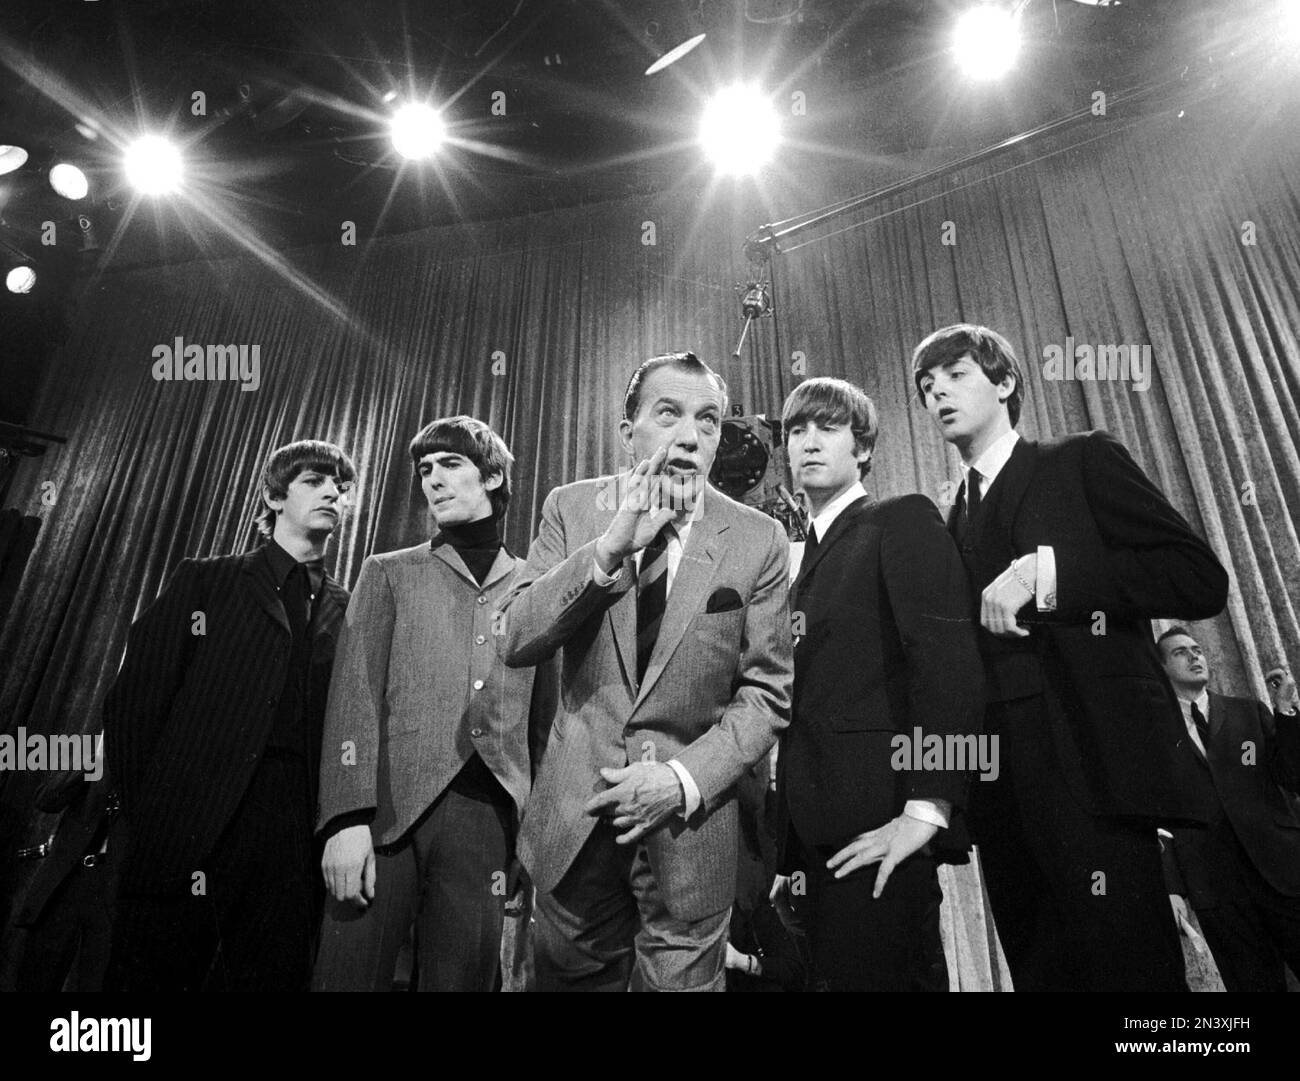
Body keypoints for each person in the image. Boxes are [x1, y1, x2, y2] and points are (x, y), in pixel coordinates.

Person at [912, 323, 1228, 991]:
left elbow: (1198, 576)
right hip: (998, 790)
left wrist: (1049, 574)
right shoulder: (947, 521)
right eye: (926, 385)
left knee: (1132, 979)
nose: (937, 389)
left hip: (1092, 771)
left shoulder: (1080, 459)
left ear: (1005, 383)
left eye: (957, 374)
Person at [498, 350, 793, 992]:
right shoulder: (573, 510)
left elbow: (767, 695)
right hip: (576, 825)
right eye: (670, 414)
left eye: (708, 420)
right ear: (628, 431)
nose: (691, 435)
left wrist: (682, 779)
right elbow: (516, 637)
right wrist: (608, 551)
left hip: (691, 828)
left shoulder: (758, 538)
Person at [312, 416, 554, 992]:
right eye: (425, 470)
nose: (433, 481)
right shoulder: (390, 572)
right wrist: (344, 822)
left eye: (450, 465)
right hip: (385, 820)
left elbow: (545, 726)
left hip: (487, 822)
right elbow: (354, 699)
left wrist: (532, 839)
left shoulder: (536, 587)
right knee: (347, 979)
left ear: (493, 477)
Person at [104, 439, 355, 991]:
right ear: (272, 496)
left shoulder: (349, 607)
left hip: (289, 830)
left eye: (340, 486)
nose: (333, 492)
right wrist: (147, 808)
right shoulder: (207, 579)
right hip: (186, 820)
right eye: (315, 481)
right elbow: (136, 700)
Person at [774, 376, 983, 991]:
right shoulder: (796, 559)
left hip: (881, 824)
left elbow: (949, 664)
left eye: (827, 427)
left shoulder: (901, 519)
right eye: (796, 430)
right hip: (813, 841)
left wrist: (929, 806)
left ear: (863, 448)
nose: (808, 441)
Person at [1156, 627, 1300, 991]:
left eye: (1197, 649)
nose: (1194, 656)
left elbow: (1293, 777)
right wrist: (1173, 888)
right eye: (1180, 653)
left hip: (1284, 873)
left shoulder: (1248, 712)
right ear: (1161, 668)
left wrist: (1286, 713)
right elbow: (1160, 822)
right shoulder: (1153, 737)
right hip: (1219, 891)